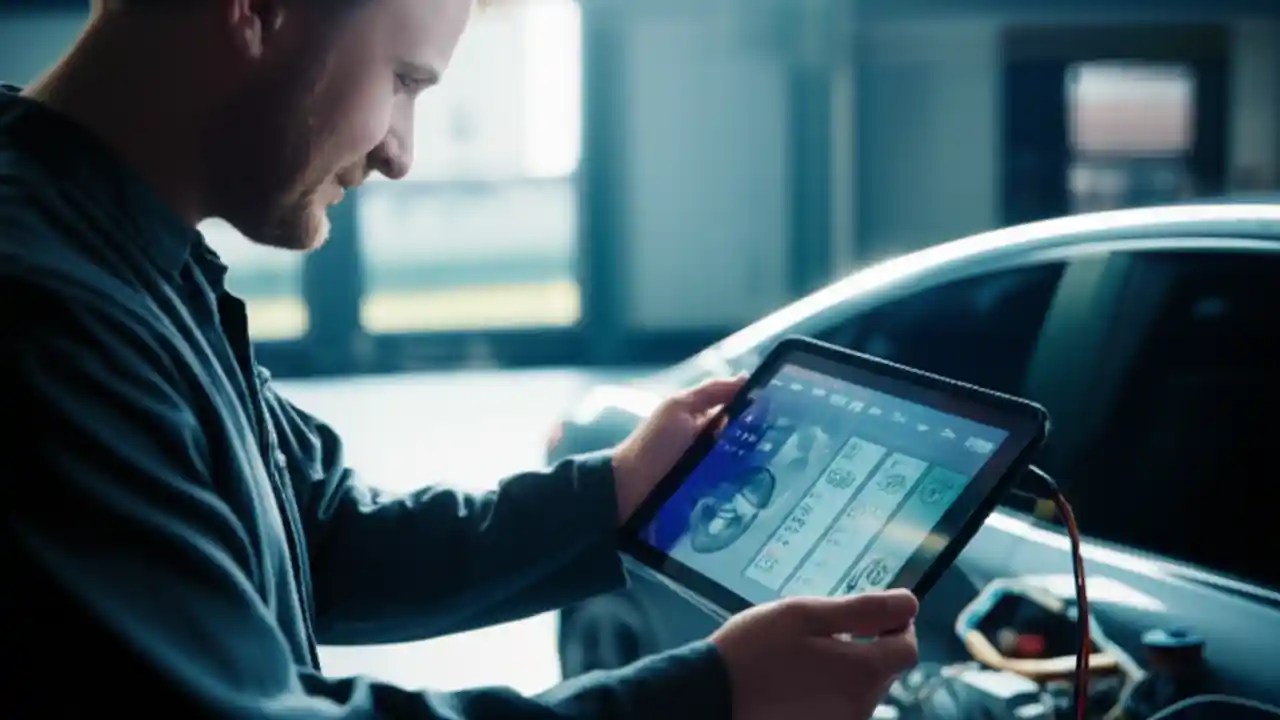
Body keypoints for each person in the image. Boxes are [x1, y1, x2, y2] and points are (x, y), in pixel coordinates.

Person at [0, 0, 919, 717]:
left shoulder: (121, 258)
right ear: (259, 9)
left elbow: (321, 536)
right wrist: (706, 699)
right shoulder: (43, 311)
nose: (400, 152)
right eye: (403, 80)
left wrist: (614, 495)